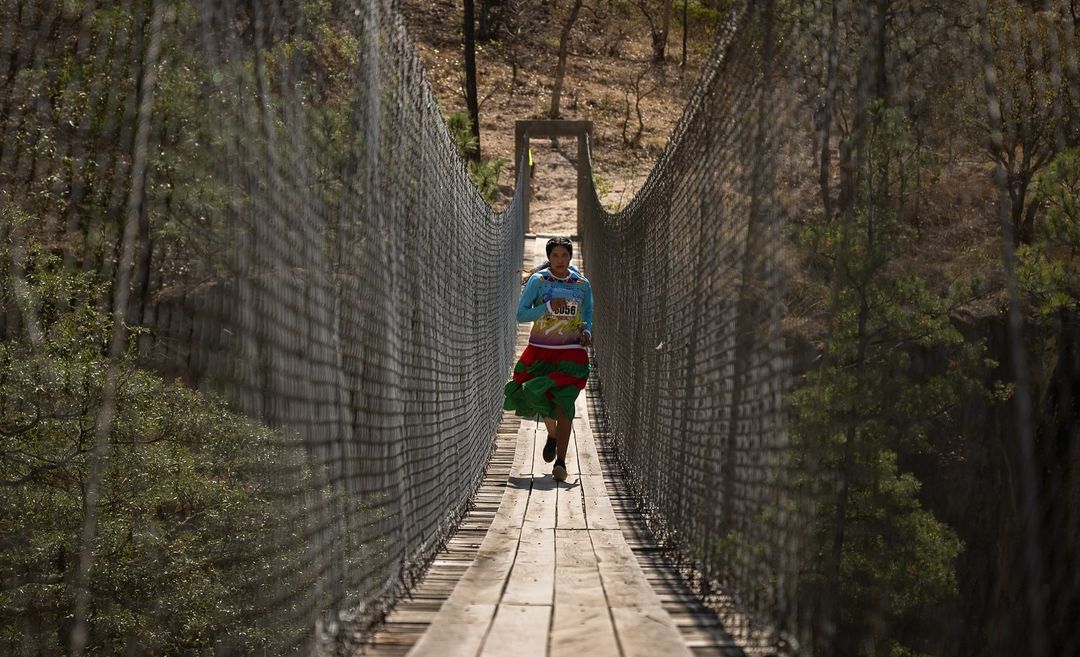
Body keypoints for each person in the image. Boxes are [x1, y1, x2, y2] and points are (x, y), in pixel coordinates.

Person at [503, 236, 593, 482]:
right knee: (534, 392)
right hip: (541, 352)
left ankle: (561, 463)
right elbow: (521, 315)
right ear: (549, 257)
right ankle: (552, 434)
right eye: (555, 256)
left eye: (564, 256)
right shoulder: (538, 281)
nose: (560, 260)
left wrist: (586, 332)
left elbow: (588, 315)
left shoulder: (582, 284)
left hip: (571, 355)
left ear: (571, 257)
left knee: (565, 404)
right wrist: (549, 308)